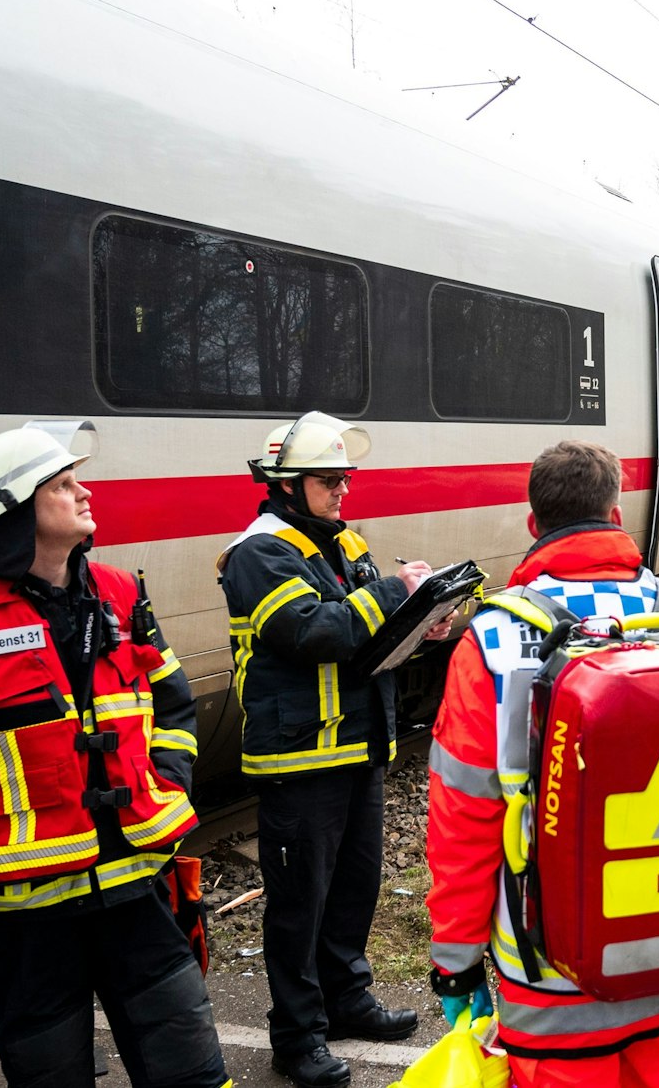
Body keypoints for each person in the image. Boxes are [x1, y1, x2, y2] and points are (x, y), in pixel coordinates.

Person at [0, 425, 230, 1088]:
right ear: (15, 507)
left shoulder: (121, 595)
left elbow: (174, 706)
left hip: (137, 891)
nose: (84, 491)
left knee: (193, 1072)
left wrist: (168, 789)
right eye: (64, 484)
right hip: (26, 921)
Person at [426, 440, 659, 1087]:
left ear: (534, 525)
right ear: (616, 515)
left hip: (554, 975)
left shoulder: (494, 640)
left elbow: (464, 822)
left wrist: (455, 961)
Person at [217, 412, 432, 1088]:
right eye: (329, 479)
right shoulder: (260, 552)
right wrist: (397, 590)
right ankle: (298, 1032)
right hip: (299, 760)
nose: (343, 490)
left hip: (355, 750)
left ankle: (346, 999)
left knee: (352, 888)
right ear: (286, 484)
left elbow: (368, 633)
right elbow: (315, 630)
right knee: (299, 904)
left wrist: (426, 619)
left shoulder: (342, 542)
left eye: (345, 478)